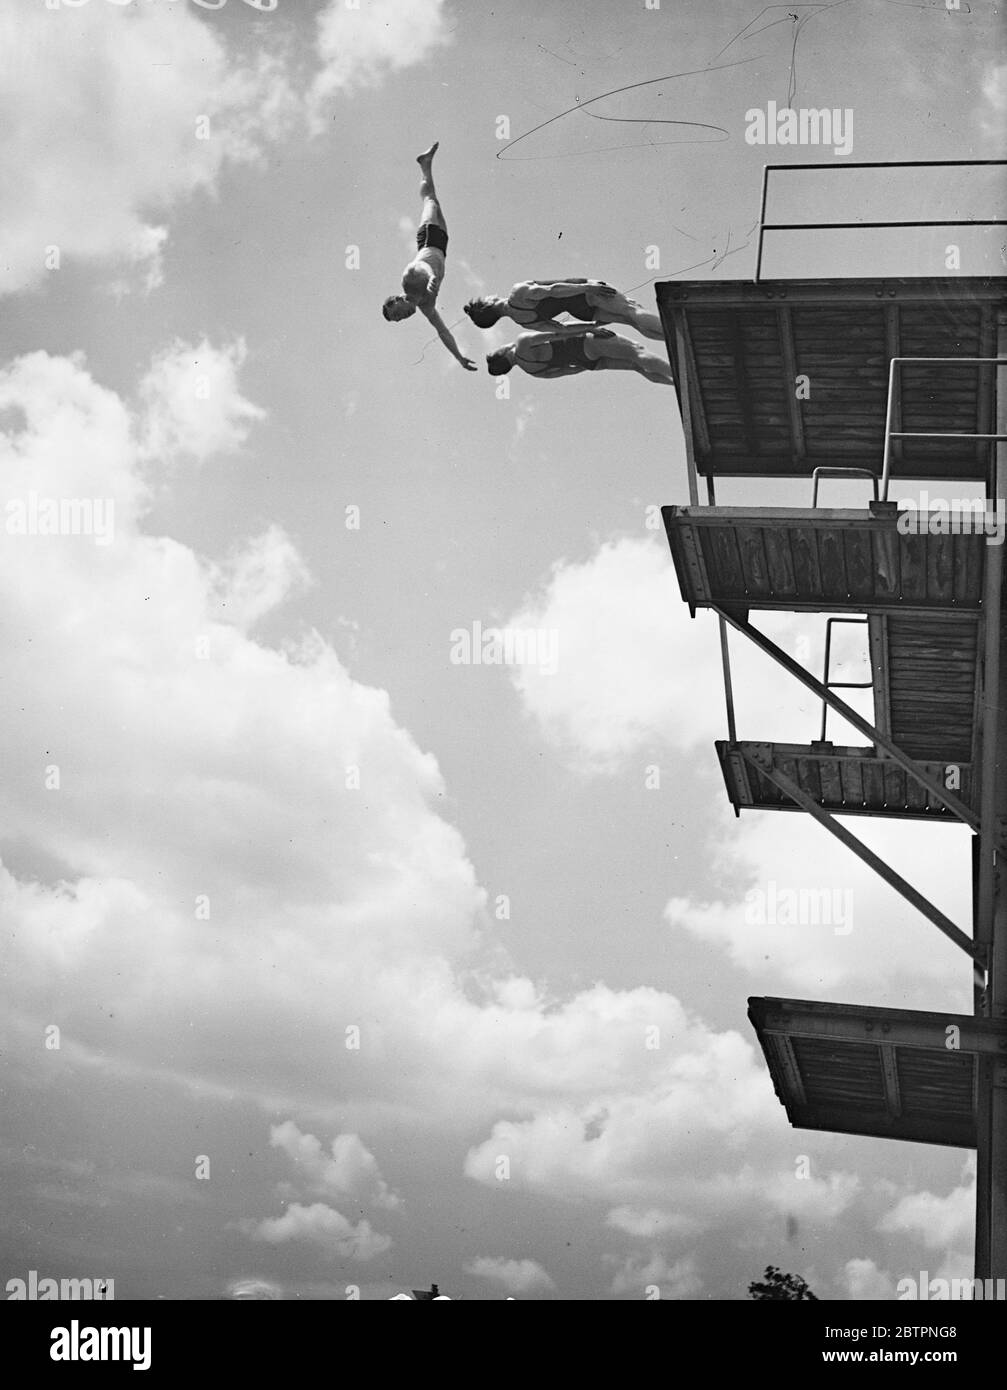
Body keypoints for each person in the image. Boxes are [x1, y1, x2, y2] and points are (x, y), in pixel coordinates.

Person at [382, 143, 476, 371]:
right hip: (442, 244)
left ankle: (425, 166)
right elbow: (442, 331)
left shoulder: (408, 280)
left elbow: (422, 267)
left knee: (430, 200)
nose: (404, 317)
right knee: (433, 197)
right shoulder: (425, 305)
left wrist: (433, 277)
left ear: (398, 301)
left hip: (428, 238)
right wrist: (459, 357)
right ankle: (425, 164)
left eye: (399, 314)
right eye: (400, 320)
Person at [465, 278, 664, 340]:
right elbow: (553, 290)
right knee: (631, 310)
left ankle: (669, 337)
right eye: (485, 298)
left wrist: (591, 327)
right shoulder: (517, 293)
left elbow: (562, 330)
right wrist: (588, 287)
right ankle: (672, 328)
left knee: (631, 322)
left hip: (584, 313)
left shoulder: (524, 322)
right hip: (585, 293)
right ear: (489, 304)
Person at [486, 323, 673, 385]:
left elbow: (565, 371)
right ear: (501, 354)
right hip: (584, 342)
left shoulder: (531, 371)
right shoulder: (522, 342)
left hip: (587, 362)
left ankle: (674, 383)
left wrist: (586, 365)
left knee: (636, 367)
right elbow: (557, 332)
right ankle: (677, 374)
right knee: (636, 352)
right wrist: (592, 328)